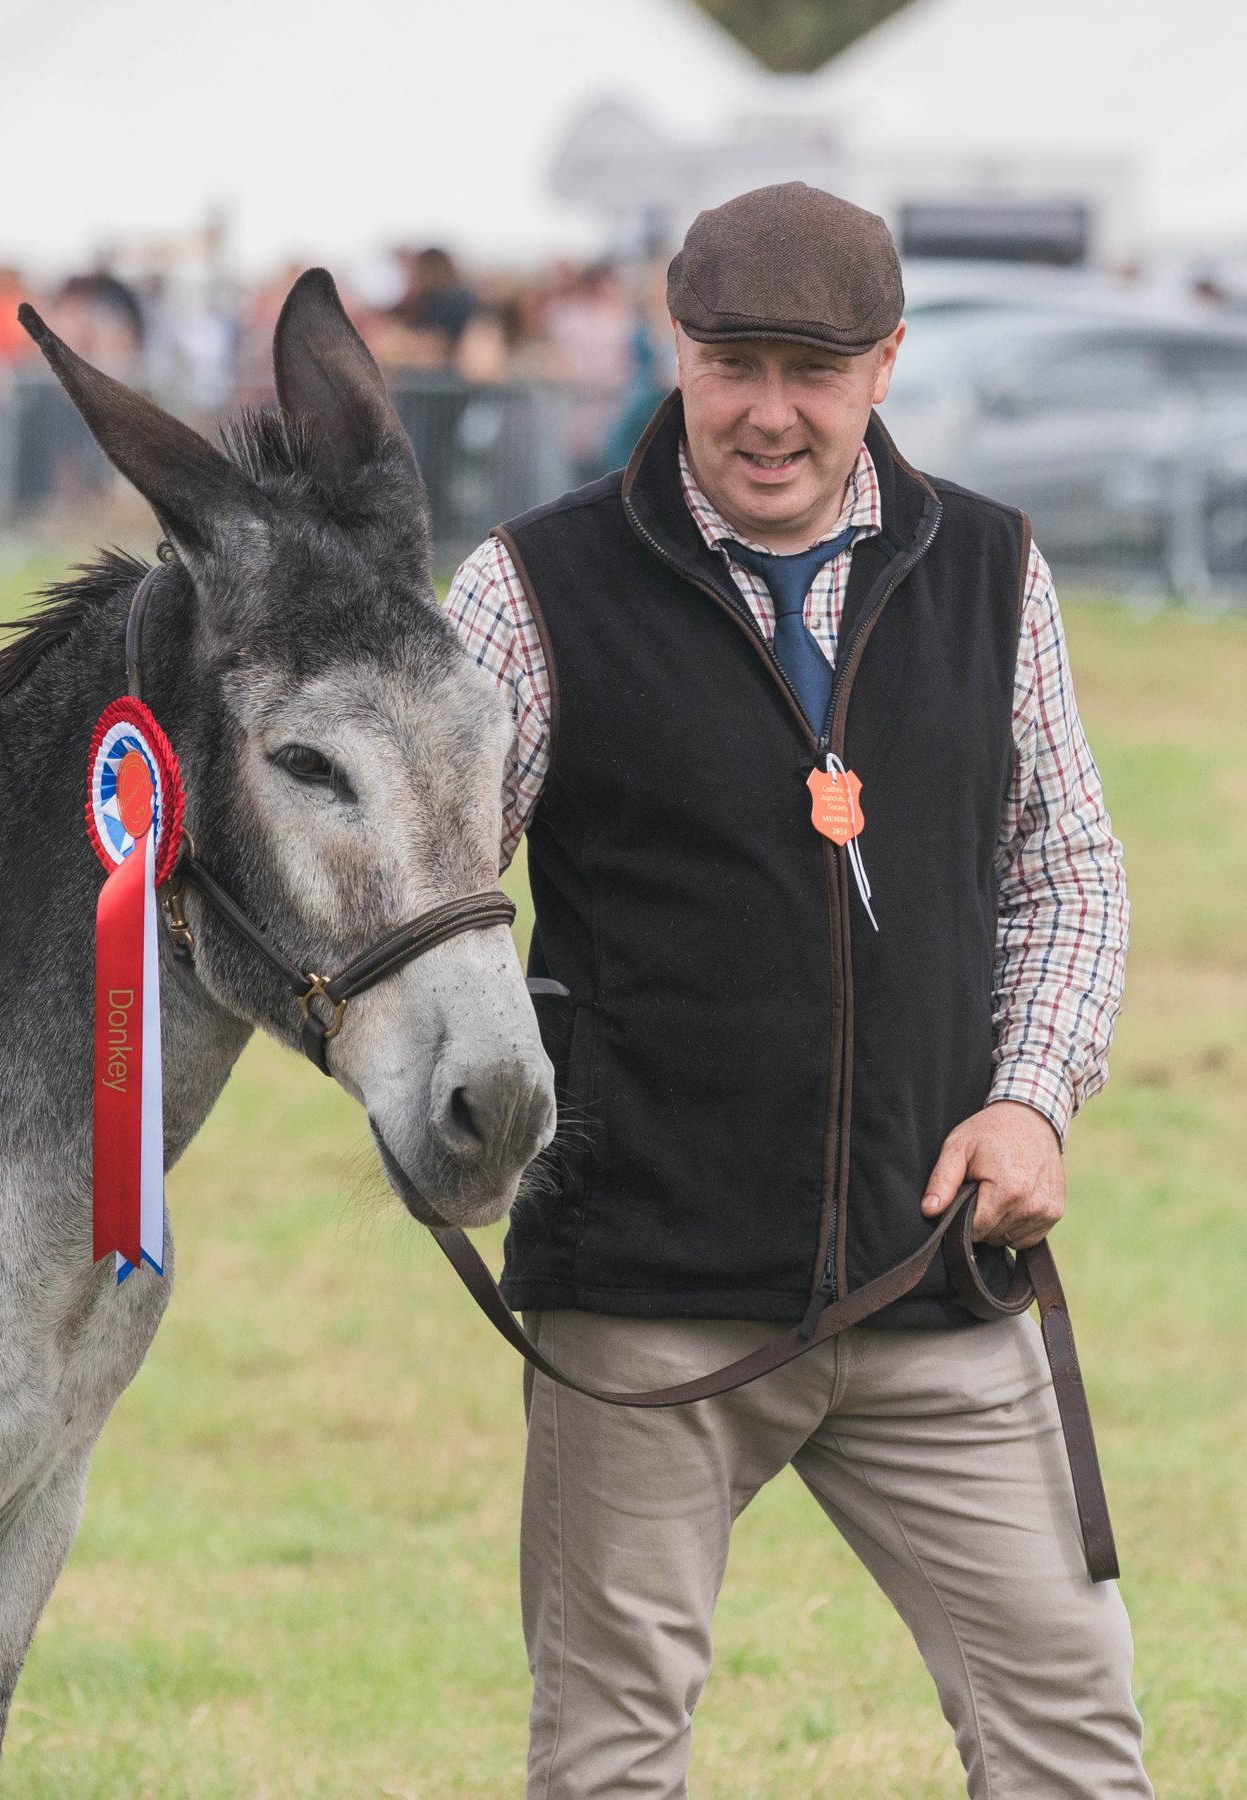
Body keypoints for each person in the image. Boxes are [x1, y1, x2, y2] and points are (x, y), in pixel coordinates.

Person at [442, 183, 1150, 1799]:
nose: (769, 413)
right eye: (732, 363)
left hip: (937, 1276)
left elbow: (1068, 870)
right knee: (609, 1757)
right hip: (641, 1303)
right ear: (672, 349)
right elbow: (427, 896)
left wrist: (1033, 1099)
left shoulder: (994, 566)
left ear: (887, 362)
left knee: (1074, 1738)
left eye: (812, 369)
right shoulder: (526, 589)